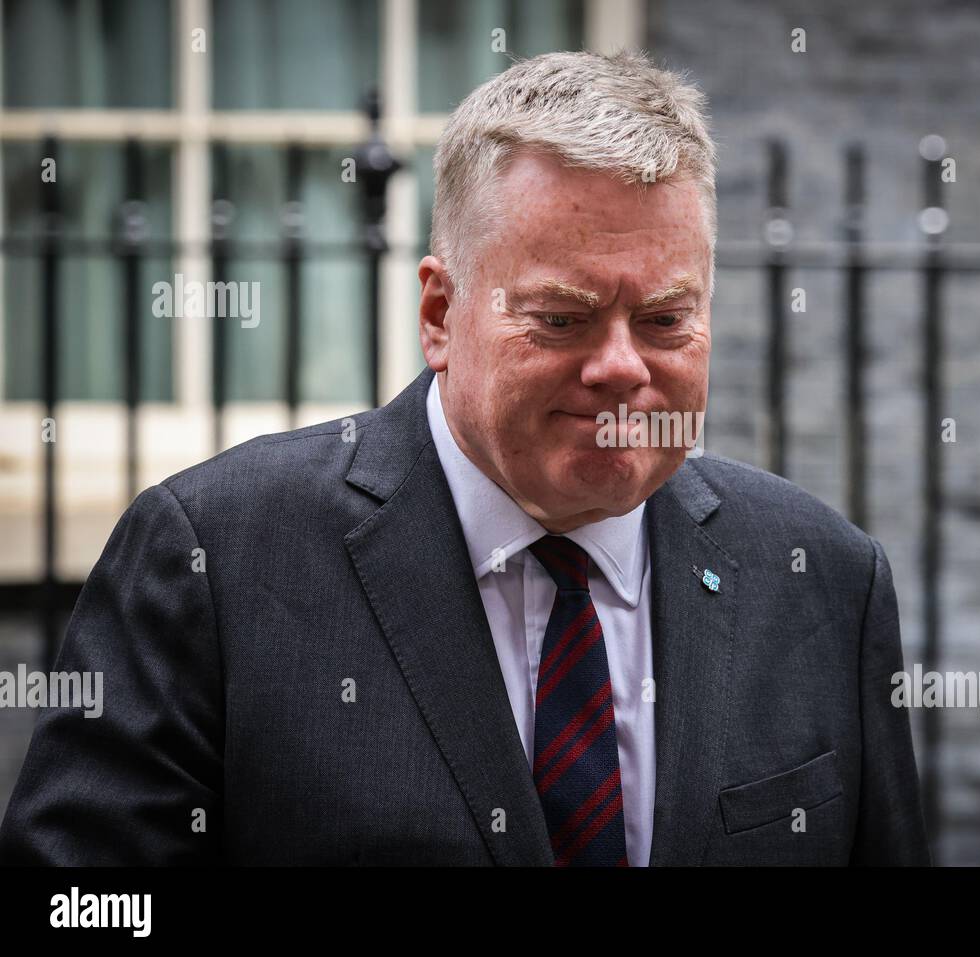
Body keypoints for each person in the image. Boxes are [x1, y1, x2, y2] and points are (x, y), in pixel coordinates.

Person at [0, 49, 928, 866]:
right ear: (440, 314)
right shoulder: (214, 559)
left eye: (665, 320)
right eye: (560, 318)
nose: (620, 367)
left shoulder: (824, 581)